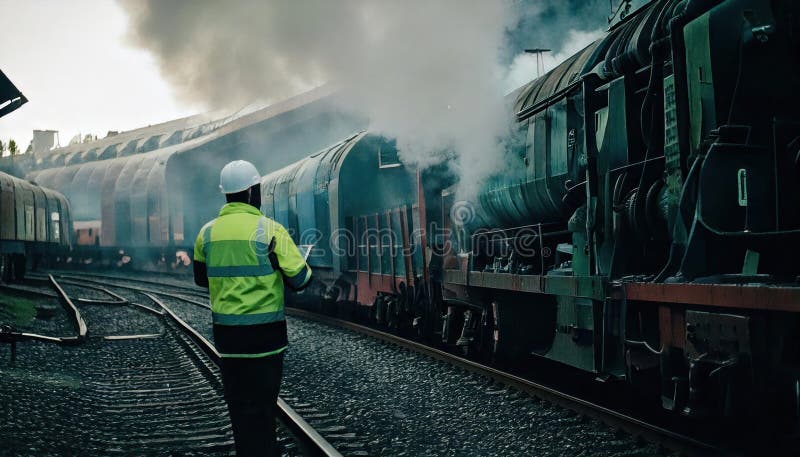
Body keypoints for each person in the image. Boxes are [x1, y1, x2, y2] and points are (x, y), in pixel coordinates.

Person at [193, 160, 312, 457]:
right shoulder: (270, 230)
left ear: (226, 193)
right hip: (267, 339)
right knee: (264, 406)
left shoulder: (207, 234)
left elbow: (201, 279)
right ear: (251, 192)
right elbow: (301, 280)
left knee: (238, 407)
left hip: (229, 340)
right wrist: (274, 264)